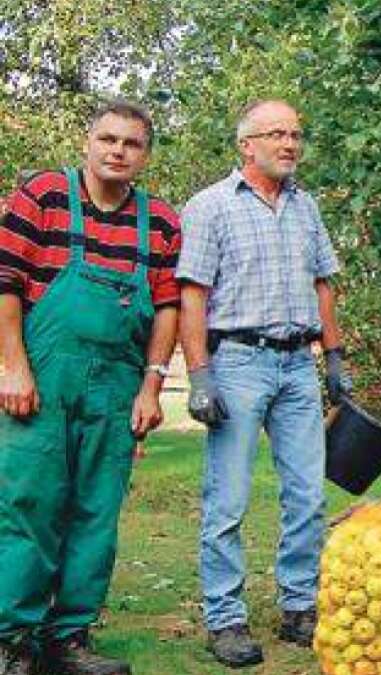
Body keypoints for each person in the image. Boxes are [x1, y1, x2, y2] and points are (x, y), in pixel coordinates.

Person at [0, 101, 180, 675]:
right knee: (30, 505)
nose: (117, 151)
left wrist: (152, 385)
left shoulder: (161, 221)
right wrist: (12, 367)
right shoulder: (44, 196)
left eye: (131, 143)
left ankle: (68, 640)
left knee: (96, 512)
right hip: (42, 379)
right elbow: (5, 282)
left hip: (117, 386)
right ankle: (13, 639)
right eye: (108, 139)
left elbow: (168, 308)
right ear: (88, 142)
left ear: (145, 155)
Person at [177, 100, 352, 669]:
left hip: (297, 365)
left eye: (296, 134)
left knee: (308, 495)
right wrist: (199, 374)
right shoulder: (209, 206)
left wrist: (333, 358)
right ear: (246, 145)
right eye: (277, 134)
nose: (290, 144)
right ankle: (224, 617)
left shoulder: (307, 206)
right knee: (227, 498)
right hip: (237, 363)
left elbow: (323, 284)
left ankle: (300, 605)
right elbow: (193, 295)